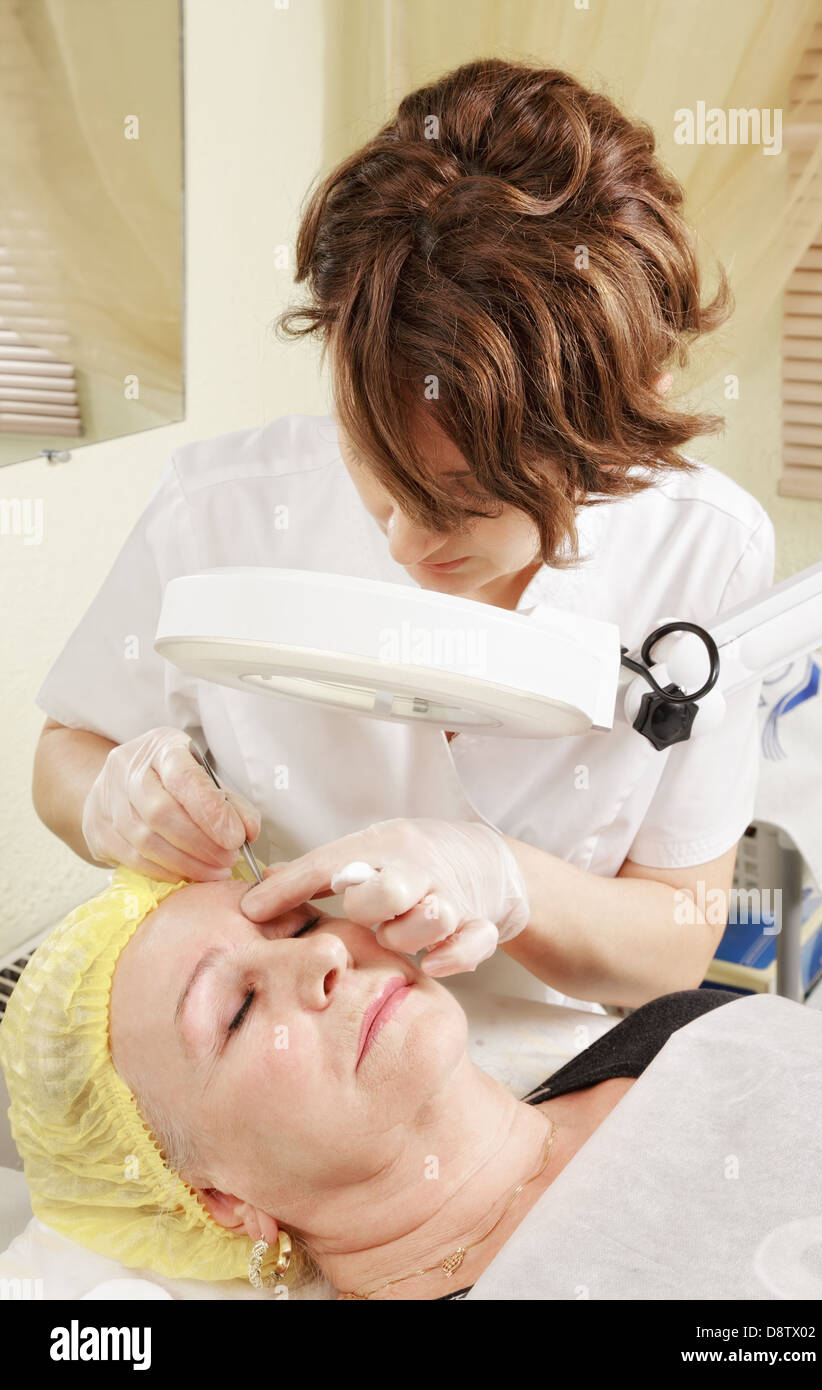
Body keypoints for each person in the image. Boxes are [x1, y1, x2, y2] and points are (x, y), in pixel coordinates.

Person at [31, 57, 774, 1009]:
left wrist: (503, 882)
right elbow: (68, 748)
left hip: (545, 1069)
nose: (405, 547)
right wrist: (112, 804)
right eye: (376, 479)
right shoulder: (222, 507)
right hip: (291, 1041)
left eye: (468, 500)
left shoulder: (702, 551)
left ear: (617, 428)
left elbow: (671, 942)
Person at [0, 865, 744, 1300]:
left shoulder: (683, 1029)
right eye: (237, 1010)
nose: (324, 953)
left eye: (296, 926)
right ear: (221, 1200)